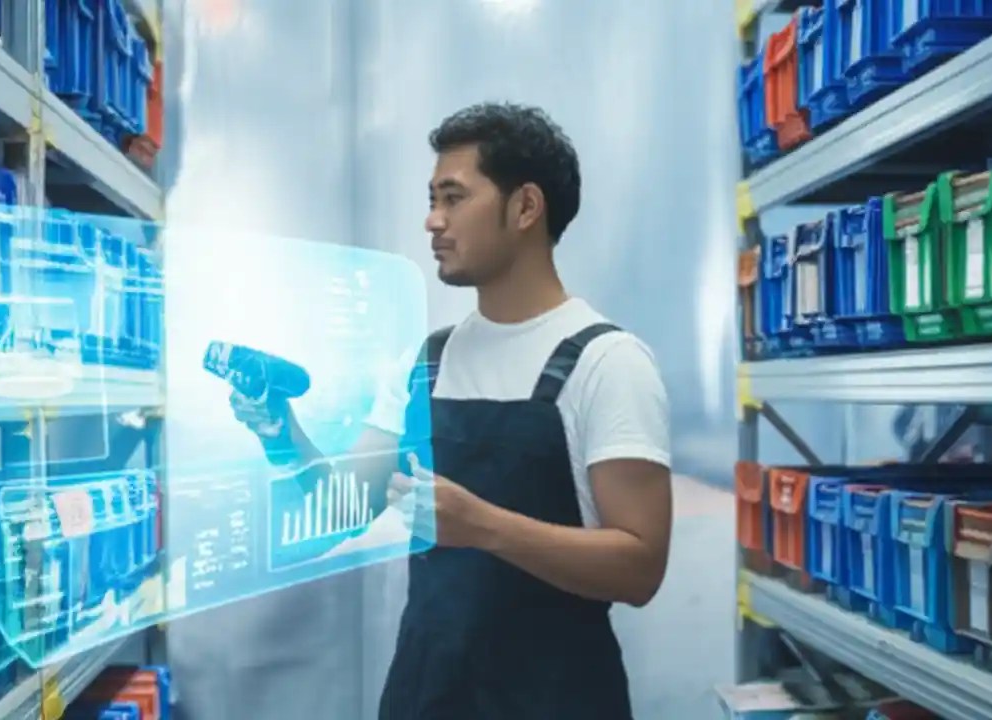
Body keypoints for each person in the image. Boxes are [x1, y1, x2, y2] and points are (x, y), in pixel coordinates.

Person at [229, 102, 673, 719]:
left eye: (453, 198)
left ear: (525, 207)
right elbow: (340, 509)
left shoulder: (608, 364)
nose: (432, 220)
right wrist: (282, 432)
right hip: (427, 695)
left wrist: (484, 526)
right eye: (432, 199)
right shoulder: (425, 363)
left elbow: (639, 569)